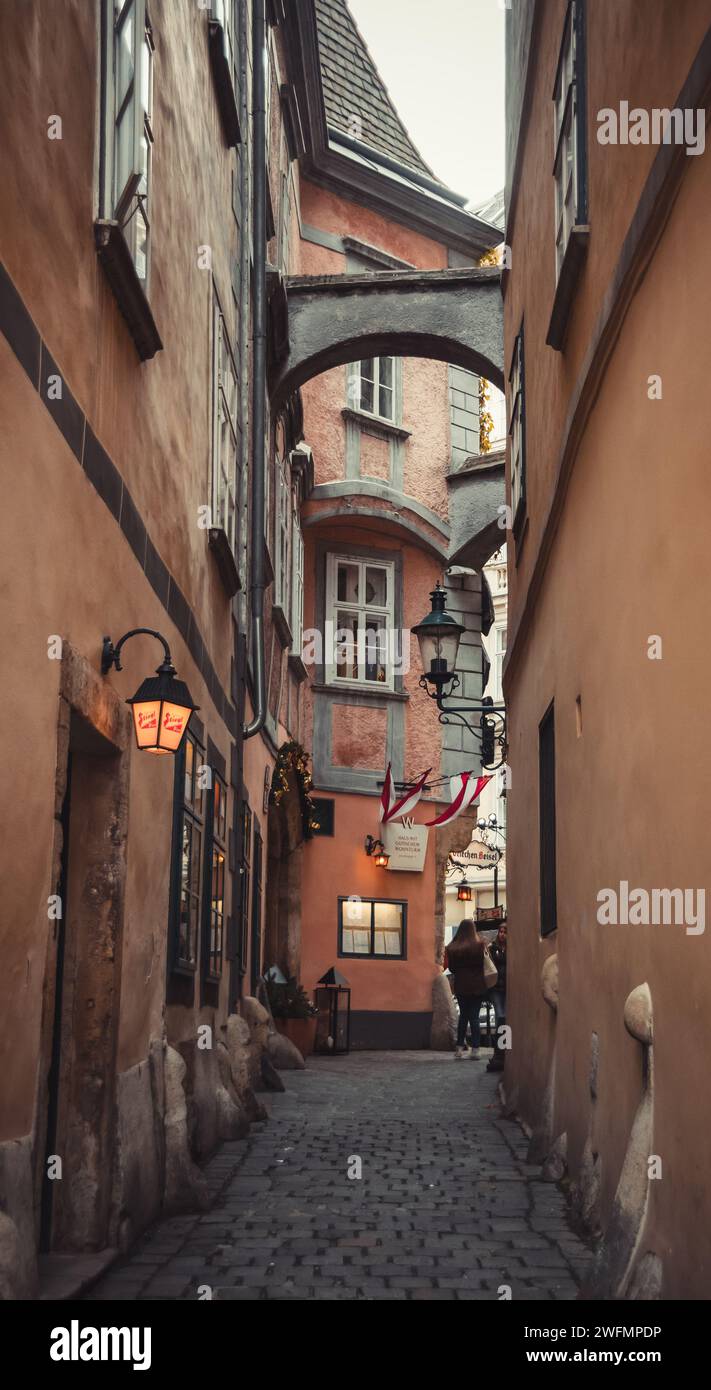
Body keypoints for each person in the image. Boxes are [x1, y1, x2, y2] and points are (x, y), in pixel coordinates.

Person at [443, 918, 487, 1059]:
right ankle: (476, 1049)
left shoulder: (453, 948)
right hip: (477, 986)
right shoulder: (480, 946)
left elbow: (452, 968)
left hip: (461, 986)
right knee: (474, 1017)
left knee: (463, 1016)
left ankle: (459, 1048)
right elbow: (485, 965)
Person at [487, 922, 507, 1073]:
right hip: (497, 988)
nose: (502, 934)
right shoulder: (492, 948)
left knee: (506, 1020)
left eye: (505, 931)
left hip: (509, 988)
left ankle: (504, 1051)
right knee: (500, 1017)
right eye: (500, 931)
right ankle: (498, 1053)